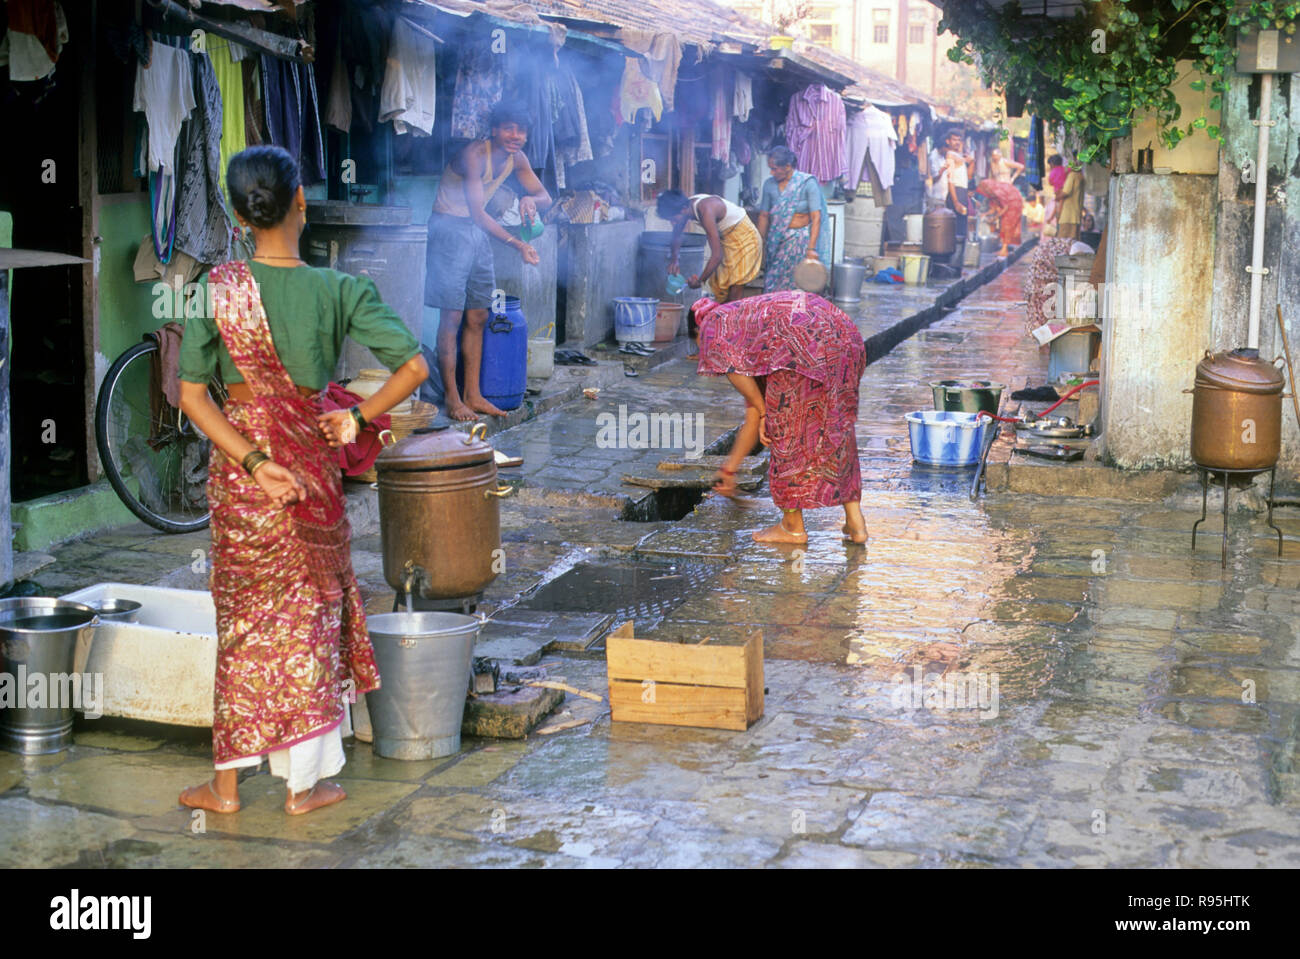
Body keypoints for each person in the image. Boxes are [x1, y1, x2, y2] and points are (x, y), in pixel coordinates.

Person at [176, 145, 428, 816]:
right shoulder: (340, 289)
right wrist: (354, 418)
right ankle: (304, 785)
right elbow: (412, 367)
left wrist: (255, 464)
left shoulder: (216, 288)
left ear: (236, 215)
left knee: (242, 623)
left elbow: (193, 398)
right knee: (311, 621)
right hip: (312, 473)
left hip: (243, 483)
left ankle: (225, 788)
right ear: (301, 204)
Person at [694, 290, 868, 546]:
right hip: (845, 337)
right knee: (837, 427)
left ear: (697, 335)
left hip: (803, 344)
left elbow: (751, 396)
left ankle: (792, 528)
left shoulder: (712, 323)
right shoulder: (752, 329)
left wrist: (767, 414)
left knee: (787, 432)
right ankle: (856, 522)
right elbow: (754, 411)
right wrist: (730, 469)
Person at [426, 102, 552, 420]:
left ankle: (474, 394)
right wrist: (517, 244)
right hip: (450, 232)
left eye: (521, 130)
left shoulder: (517, 158)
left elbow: (545, 197)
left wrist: (529, 199)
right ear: (495, 130)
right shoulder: (474, 155)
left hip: (477, 236)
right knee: (452, 318)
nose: (515, 135)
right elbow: (478, 214)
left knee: (479, 317)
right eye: (509, 128)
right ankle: (453, 399)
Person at [658, 188, 762, 302]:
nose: (673, 223)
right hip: (728, 239)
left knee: (734, 288)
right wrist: (674, 260)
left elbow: (717, 255)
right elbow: (676, 235)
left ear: (683, 210)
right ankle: (723, 317)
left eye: (673, 219)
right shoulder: (686, 207)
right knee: (721, 289)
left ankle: (731, 318)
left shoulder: (706, 210)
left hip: (745, 238)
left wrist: (700, 281)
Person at [756, 146, 830, 293]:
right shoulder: (769, 185)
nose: (772, 172)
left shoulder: (807, 183)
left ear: (788, 167)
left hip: (800, 242)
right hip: (776, 242)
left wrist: (811, 248)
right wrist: (759, 244)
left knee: (797, 284)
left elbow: (816, 217)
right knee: (773, 281)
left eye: (775, 168)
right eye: (770, 168)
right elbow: (764, 216)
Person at [928, 129, 974, 234]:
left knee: (961, 227)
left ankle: (959, 250)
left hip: (961, 192)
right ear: (948, 141)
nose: (957, 142)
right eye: (954, 140)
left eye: (959, 140)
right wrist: (956, 202)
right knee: (956, 229)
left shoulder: (959, 156)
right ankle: (955, 250)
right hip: (956, 193)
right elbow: (951, 181)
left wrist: (971, 162)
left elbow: (969, 176)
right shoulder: (950, 154)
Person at [976, 178, 1024, 257]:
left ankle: (1004, 250)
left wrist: (995, 217)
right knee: (1003, 224)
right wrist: (984, 214)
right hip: (1008, 204)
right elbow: (993, 209)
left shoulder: (997, 191)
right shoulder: (991, 193)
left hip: (1014, 202)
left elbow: (1005, 207)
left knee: (1007, 225)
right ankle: (1004, 249)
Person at [1051, 158, 1084, 240]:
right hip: (1076, 216)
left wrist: (1057, 197)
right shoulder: (1081, 176)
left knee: (1063, 243)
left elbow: (1066, 192)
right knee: (1073, 242)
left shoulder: (1072, 176)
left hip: (1068, 216)